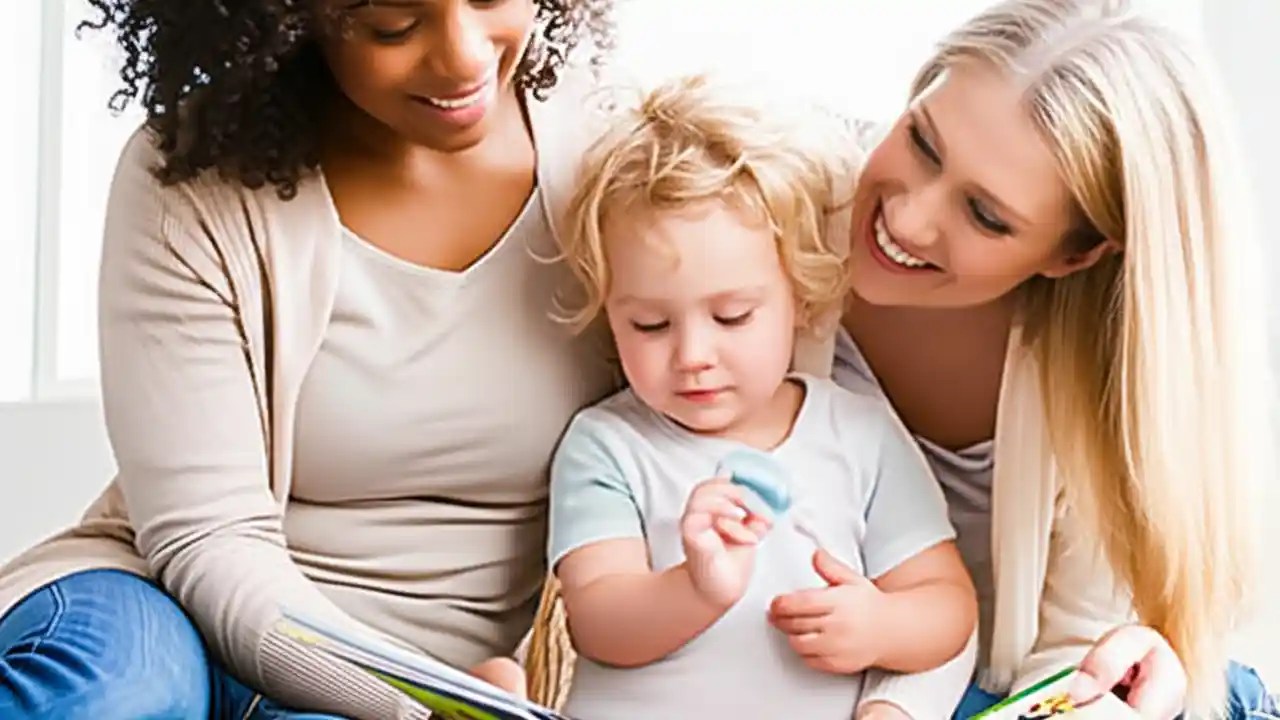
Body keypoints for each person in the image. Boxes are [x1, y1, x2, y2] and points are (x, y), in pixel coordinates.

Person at [0, 0, 621, 718]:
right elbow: (210, 540)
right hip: (157, 607)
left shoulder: (612, 158)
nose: (463, 56)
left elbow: (749, 385)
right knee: (111, 696)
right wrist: (425, 710)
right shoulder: (191, 174)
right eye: (393, 24)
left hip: (403, 679)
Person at [792, 0, 1277, 718]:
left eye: (985, 215)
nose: (908, 218)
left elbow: (1075, 658)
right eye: (922, 141)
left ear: (1075, 254)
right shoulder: (774, 213)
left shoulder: (1110, 384)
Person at [545, 76, 978, 719]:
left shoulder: (857, 433)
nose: (692, 355)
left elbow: (947, 602)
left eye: (733, 316)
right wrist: (696, 588)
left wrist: (883, 625)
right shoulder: (607, 445)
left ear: (799, 299)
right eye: (650, 325)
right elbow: (598, 622)